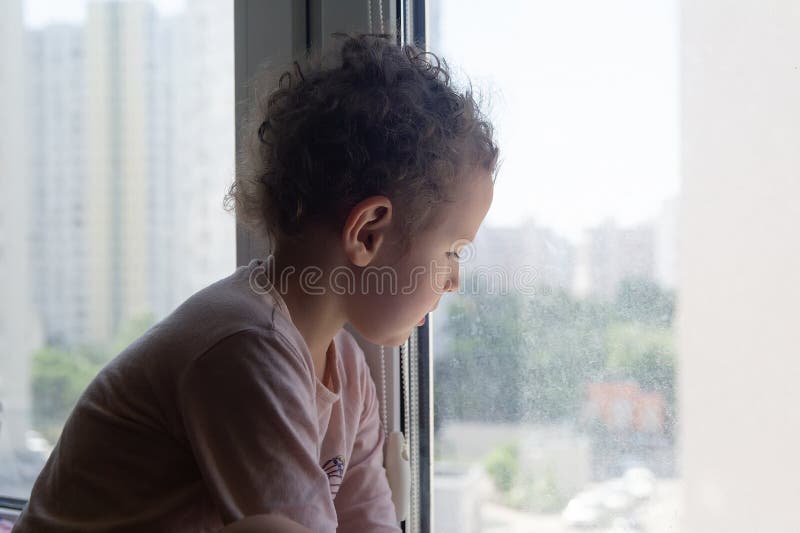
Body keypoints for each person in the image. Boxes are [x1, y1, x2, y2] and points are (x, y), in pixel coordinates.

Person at [12, 33, 498, 532]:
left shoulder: (347, 374)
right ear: (368, 232)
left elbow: (367, 524)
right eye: (452, 251)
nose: (455, 279)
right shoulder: (245, 348)